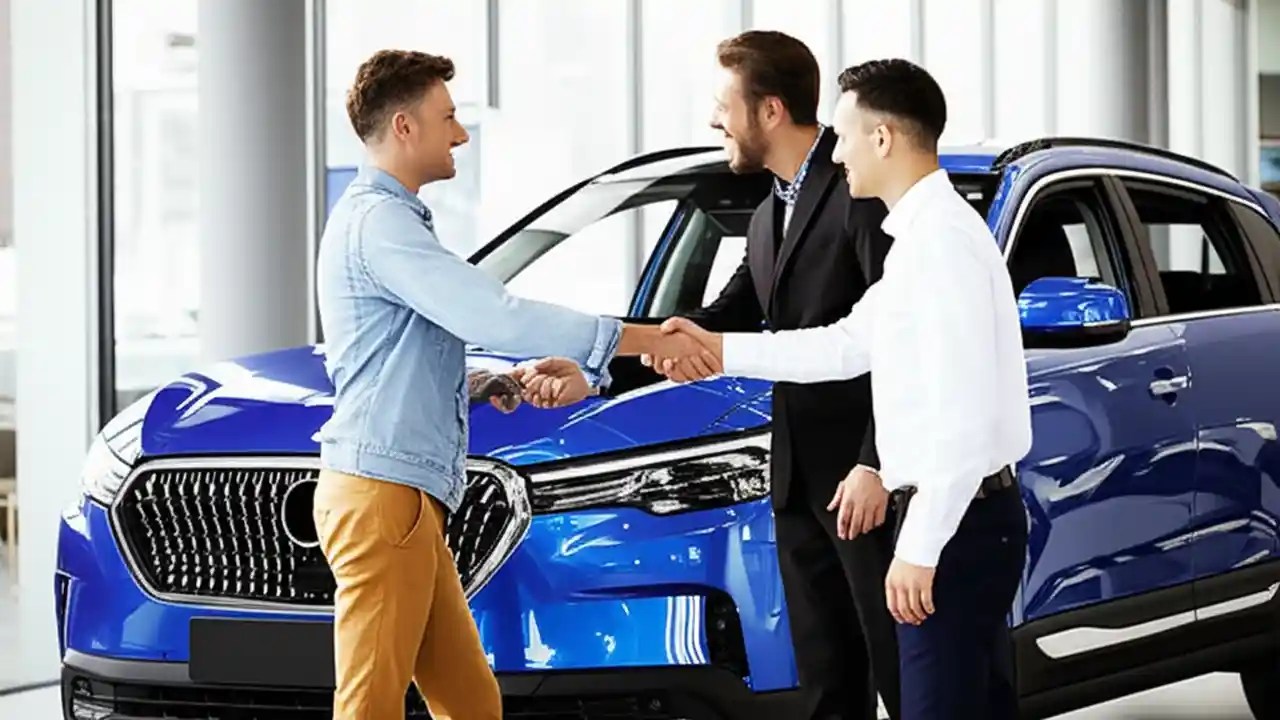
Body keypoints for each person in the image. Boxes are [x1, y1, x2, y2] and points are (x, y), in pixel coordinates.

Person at [313, 49, 716, 720]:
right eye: (448, 118)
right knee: (369, 705)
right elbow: (493, 313)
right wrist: (642, 339)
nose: (460, 135)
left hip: (404, 500)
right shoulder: (380, 224)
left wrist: (483, 383)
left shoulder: (384, 221)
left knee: (471, 703)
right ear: (405, 126)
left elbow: (386, 359)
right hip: (383, 497)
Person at [646, 59, 1033, 719]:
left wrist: (919, 547)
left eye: (846, 135)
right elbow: (844, 344)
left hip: (958, 523)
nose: (838, 151)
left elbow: (963, 416)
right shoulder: (919, 239)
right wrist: (718, 348)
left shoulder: (940, 244)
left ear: (882, 138)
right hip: (960, 521)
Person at [646, 30, 900, 720]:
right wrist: (598, 358)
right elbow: (724, 317)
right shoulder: (767, 215)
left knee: (905, 676)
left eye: (723, 103)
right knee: (826, 679)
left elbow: (903, 340)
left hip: (866, 481)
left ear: (770, 111)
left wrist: (877, 462)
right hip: (796, 478)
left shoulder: (862, 195)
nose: (713, 120)